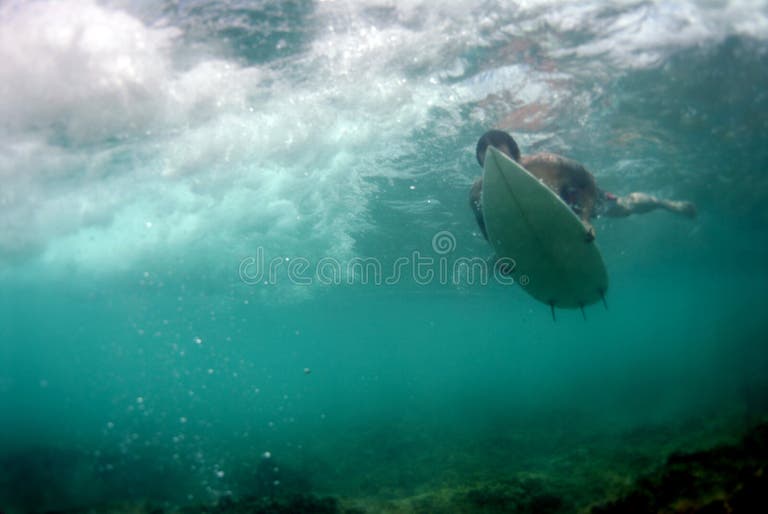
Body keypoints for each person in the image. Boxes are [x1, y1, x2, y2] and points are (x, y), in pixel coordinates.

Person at [469, 129, 697, 241]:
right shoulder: (479, 193)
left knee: (625, 208)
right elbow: (488, 227)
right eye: (488, 166)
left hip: (575, 198)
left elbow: (586, 178)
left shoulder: (545, 164)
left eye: (506, 161)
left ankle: (666, 204)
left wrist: (584, 219)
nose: (500, 170)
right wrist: (501, 251)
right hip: (544, 213)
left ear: (517, 156)